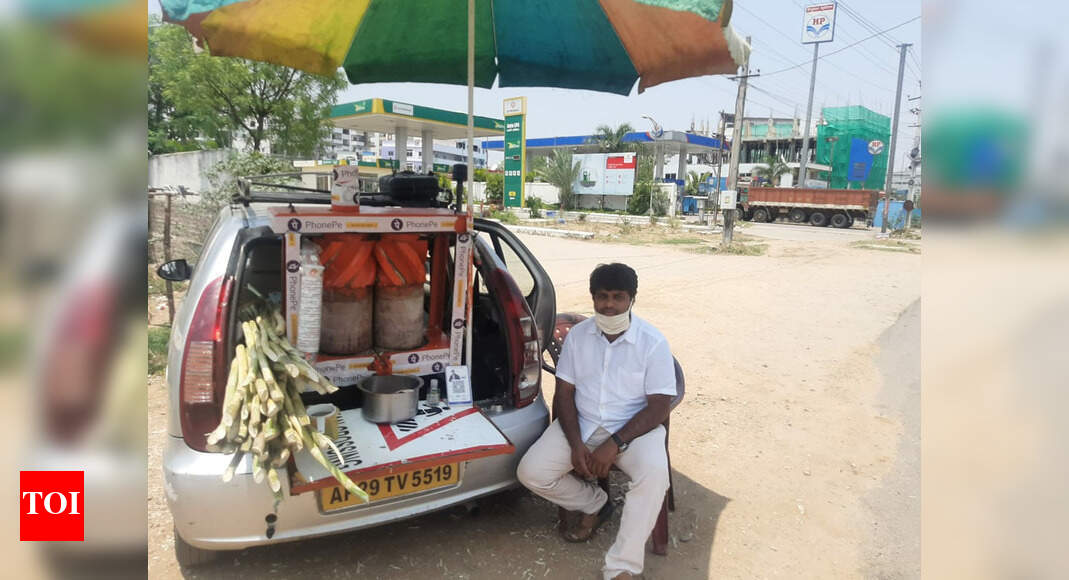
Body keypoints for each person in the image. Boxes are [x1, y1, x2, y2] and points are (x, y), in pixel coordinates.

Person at [517, 263, 676, 580]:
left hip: (634, 430)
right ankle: (596, 503)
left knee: (655, 475)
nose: (609, 304)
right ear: (592, 298)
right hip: (584, 424)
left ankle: (623, 566)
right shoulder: (578, 337)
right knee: (531, 473)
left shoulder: (653, 342)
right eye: (602, 296)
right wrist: (576, 445)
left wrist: (614, 444)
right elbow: (564, 395)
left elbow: (659, 406)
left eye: (618, 297)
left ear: (632, 298)